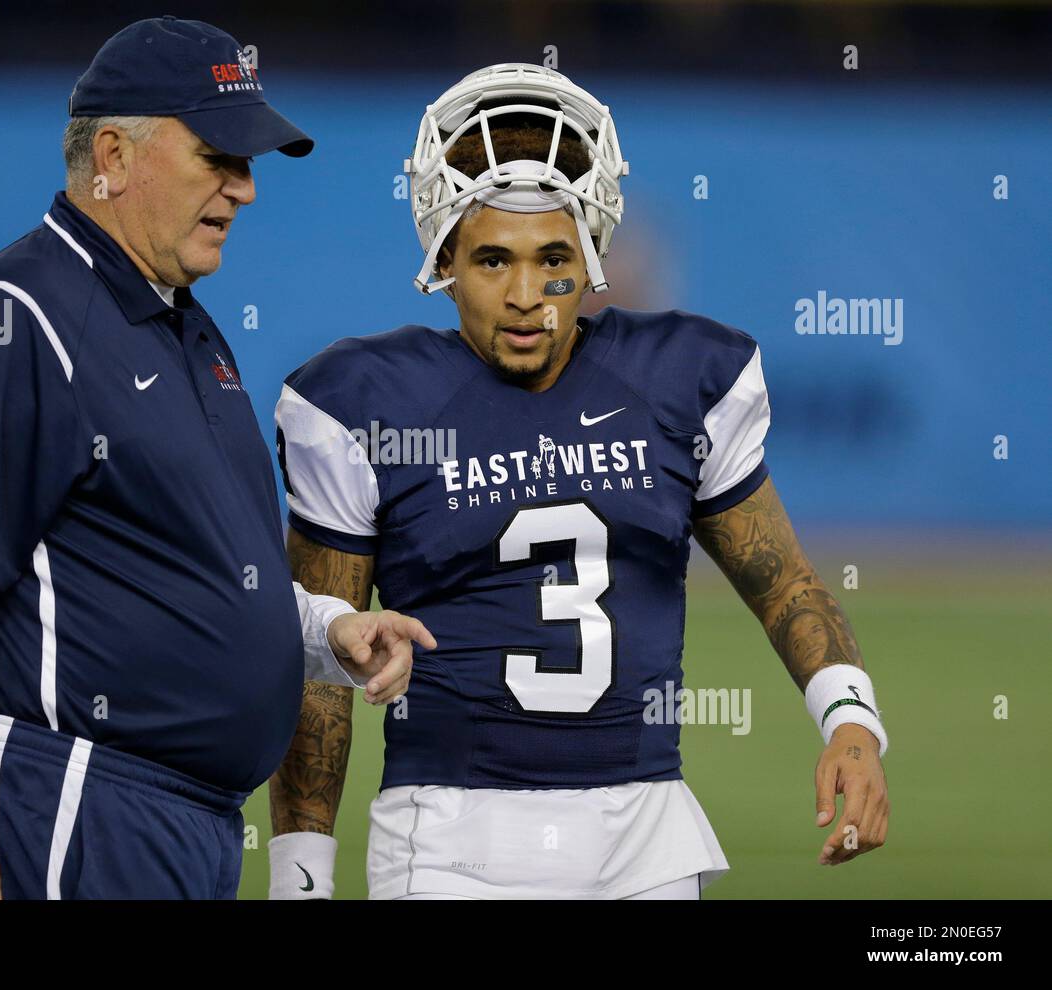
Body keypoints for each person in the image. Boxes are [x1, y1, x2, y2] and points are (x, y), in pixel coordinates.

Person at [268, 63, 889, 900]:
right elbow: (319, 671)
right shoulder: (365, 404)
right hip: (451, 842)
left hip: (647, 838)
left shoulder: (677, 378)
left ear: (592, 252)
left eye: (554, 259)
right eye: (493, 260)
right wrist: (299, 877)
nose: (528, 295)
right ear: (445, 257)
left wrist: (851, 724)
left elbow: (781, 583)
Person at [0, 16, 432, 901]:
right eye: (219, 157)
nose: (244, 190)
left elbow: (187, 568)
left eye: (247, 166)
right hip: (75, 808)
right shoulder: (18, 317)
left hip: (182, 825)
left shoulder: (184, 327)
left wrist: (324, 633)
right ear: (114, 158)